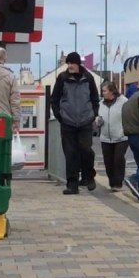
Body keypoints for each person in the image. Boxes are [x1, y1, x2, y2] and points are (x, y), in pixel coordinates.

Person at [50, 51, 100, 194]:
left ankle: (88, 177)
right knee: (70, 153)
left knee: (86, 150)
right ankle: (72, 184)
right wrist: (60, 116)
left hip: (85, 121)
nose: (70, 66)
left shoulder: (88, 78)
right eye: (68, 63)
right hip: (68, 122)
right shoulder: (62, 78)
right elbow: (54, 99)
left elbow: (95, 98)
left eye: (72, 63)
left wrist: (93, 114)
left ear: (78, 63)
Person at [95, 81, 128, 192]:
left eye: (104, 91)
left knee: (118, 159)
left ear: (112, 91)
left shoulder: (123, 102)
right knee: (108, 161)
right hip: (105, 137)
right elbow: (97, 119)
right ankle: (112, 182)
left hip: (121, 136)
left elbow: (129, 116)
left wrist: (125, 130)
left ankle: (118, 183)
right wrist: (98, 121)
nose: (103, 93)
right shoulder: (100, 104)